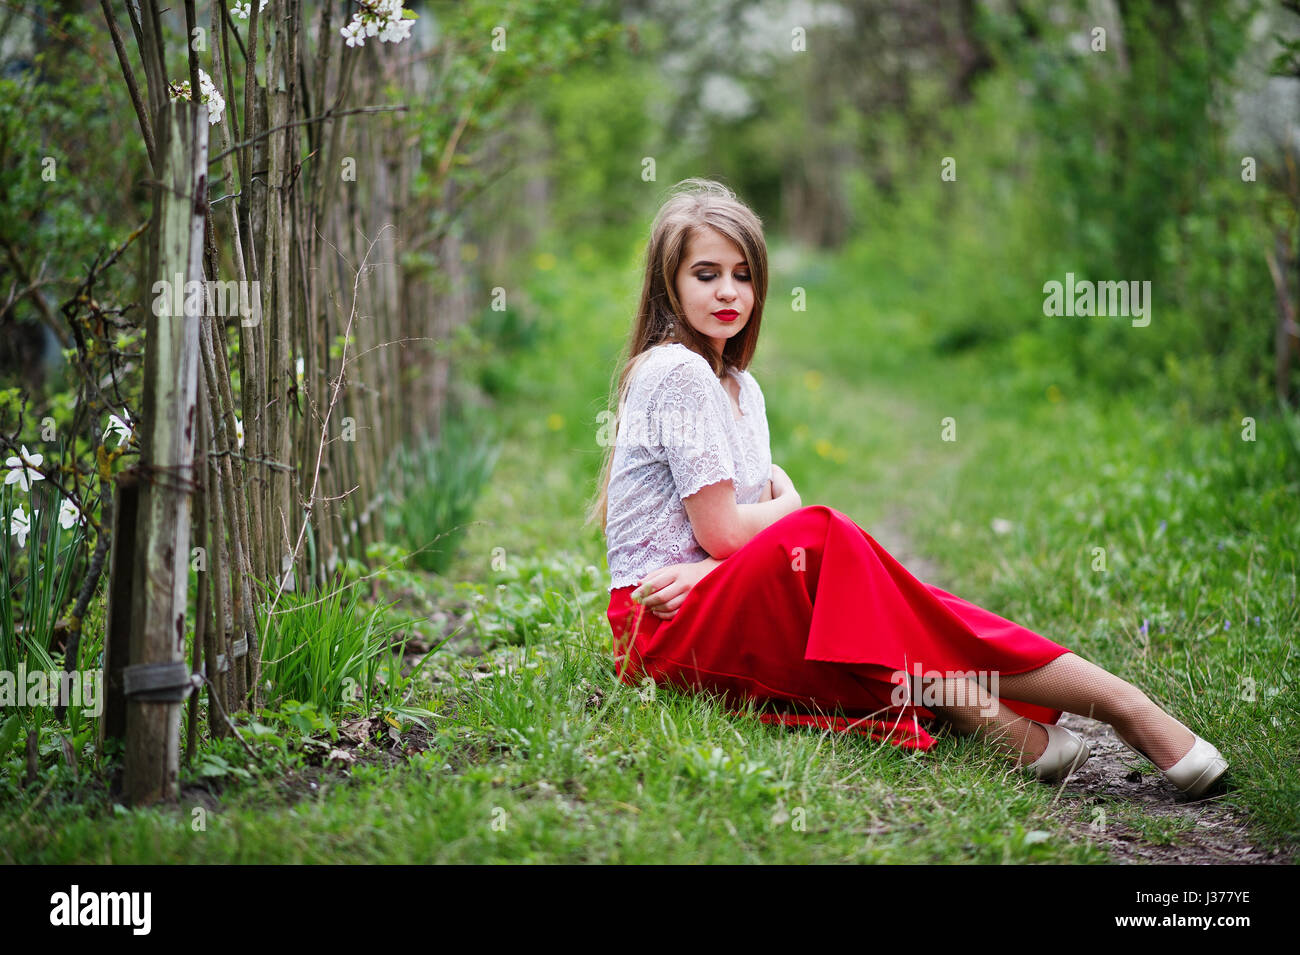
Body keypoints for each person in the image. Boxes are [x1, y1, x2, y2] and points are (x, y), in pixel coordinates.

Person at [583, 178, 1229, 798]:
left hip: (710, 602)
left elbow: (731, 550)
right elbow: (727, 533)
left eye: (744, 274)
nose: (729, 291)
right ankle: (1113, 706)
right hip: (658, 628)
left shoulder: (740, 386)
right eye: (706, 274)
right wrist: (789, 505)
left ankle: (1038, 723)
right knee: (819, 532)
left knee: (877, 597)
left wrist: (709, 571)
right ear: (669, 283)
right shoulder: (675, 371)